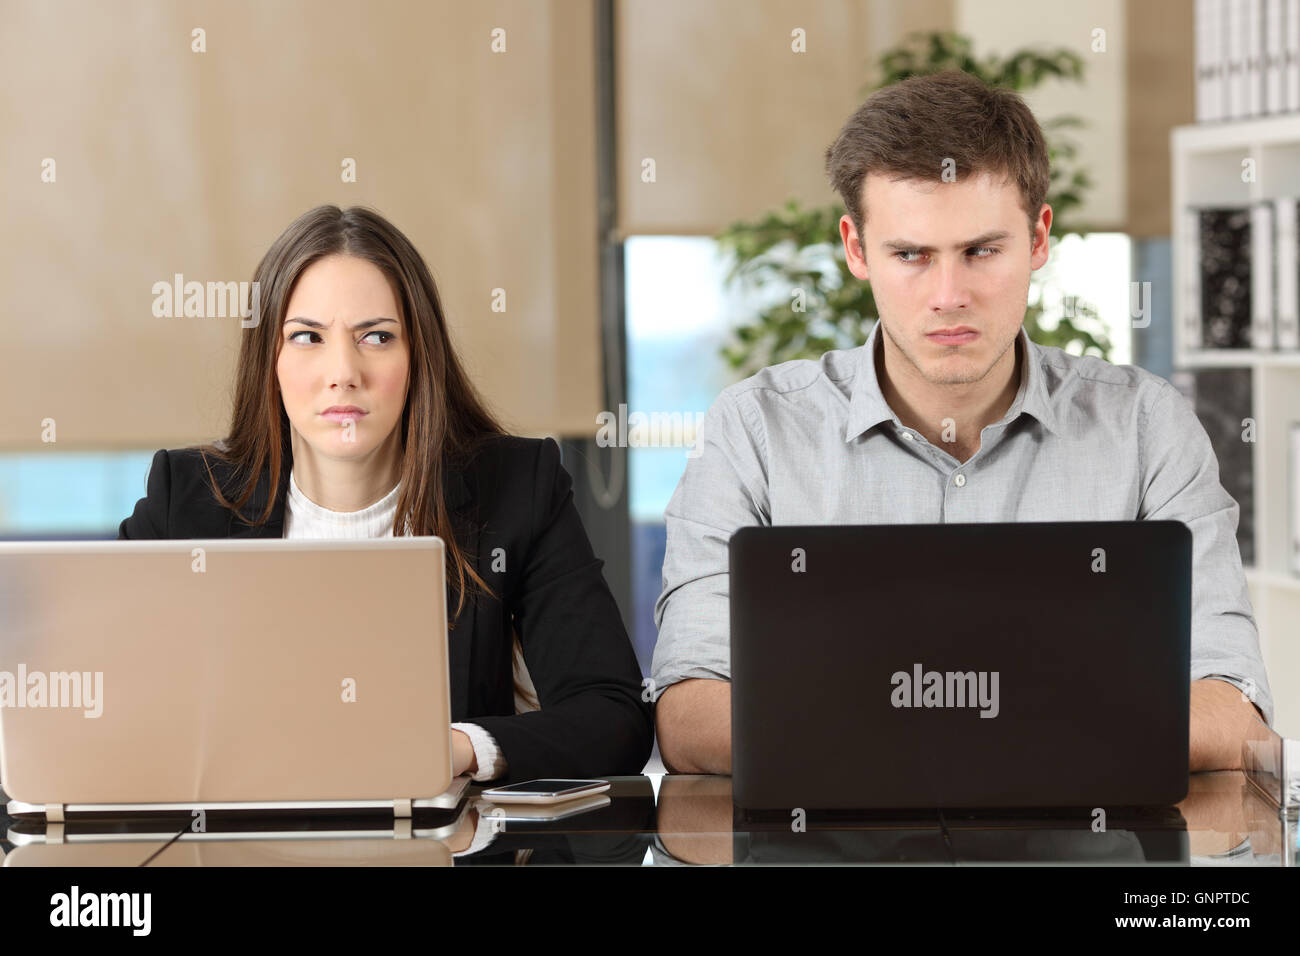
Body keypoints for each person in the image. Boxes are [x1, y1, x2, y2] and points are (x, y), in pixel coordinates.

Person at [651, 70, 1273, 775]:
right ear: (856, 250)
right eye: (911, 255)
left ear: (1039, 239)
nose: (949, 296)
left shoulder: (1146, 425)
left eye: (982, 251)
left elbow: (1233, 709)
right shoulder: (754, 431)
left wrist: (886, 735)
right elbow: (690, 714)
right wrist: (1040, 730)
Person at [120, 204, 652, 784]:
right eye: (306, 337)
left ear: (419, 355)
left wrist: (451, 750)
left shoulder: (516, 486)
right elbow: (95, 699)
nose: (343, 371)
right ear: (269, 359)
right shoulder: (186, 497)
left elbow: (613, 718)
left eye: (376, 336)